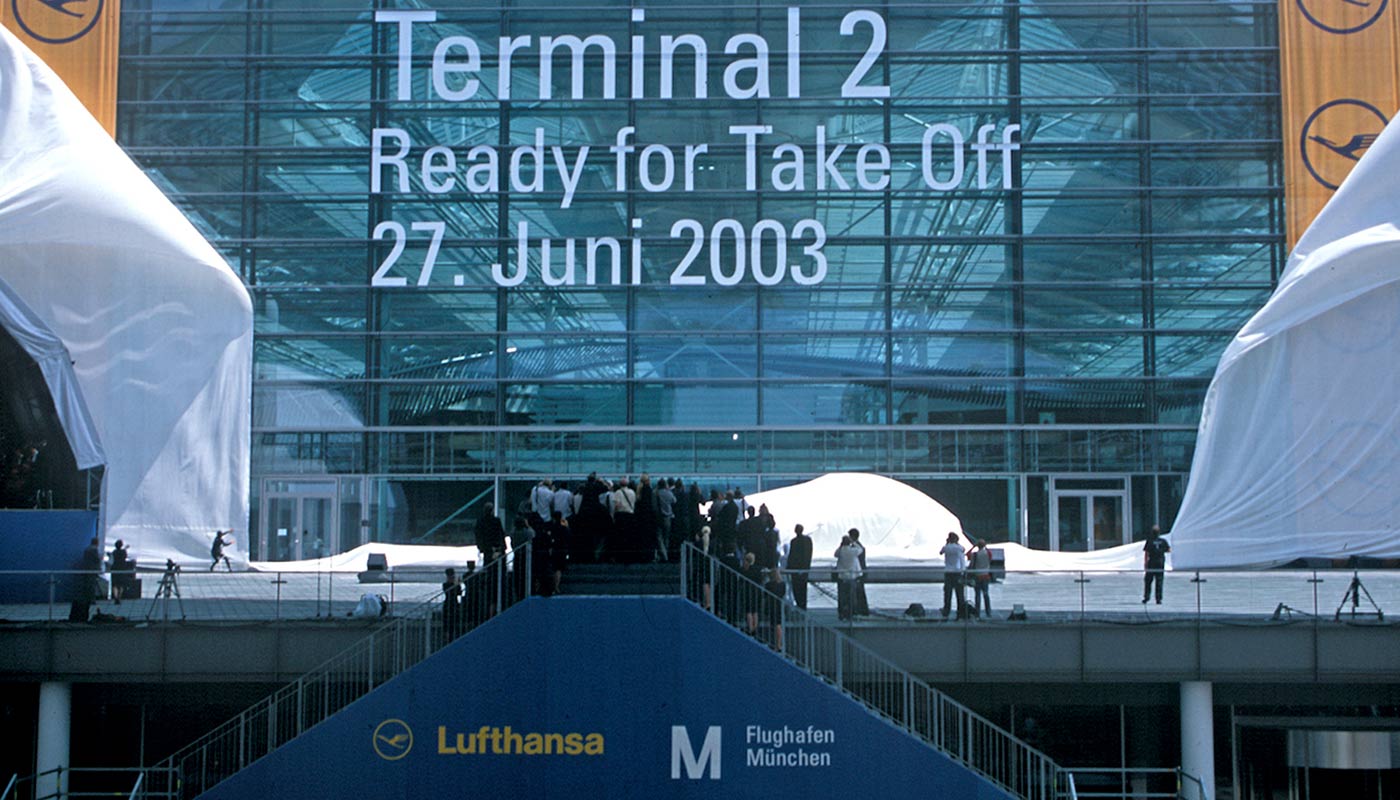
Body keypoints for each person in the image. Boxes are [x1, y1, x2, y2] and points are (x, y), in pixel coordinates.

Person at [68, 537, 102, 622]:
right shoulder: (94, 550)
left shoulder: (87, 549)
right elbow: (97, 559)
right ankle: (92, 599)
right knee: (92, 585)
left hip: (86, 569)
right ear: (97, 543)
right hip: (92, 570)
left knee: (87, 585)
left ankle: (87, 599)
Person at [940, 532, 968, 620]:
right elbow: (963, 551)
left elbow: (941, 552)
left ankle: (946, 611)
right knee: (959, 594)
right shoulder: (958, 548)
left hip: (948, 573)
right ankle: (960, 612)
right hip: (957, 572)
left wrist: (947, 543)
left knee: (947, 593)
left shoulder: (946, 547)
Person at [1142, 525, 1171, 604]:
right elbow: (1169, 550)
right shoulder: (1163, 541)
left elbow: (1146, 553)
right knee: (1159, 581)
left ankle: (1146, 597)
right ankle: (1158, 599)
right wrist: (1161, 551)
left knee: (1148, 580)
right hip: (1160, 562)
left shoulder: (1149, 541)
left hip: (1151, 562)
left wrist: (1145, 563)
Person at [835, 535, 861, 621]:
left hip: (842, 577)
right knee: (852, 596)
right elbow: (861, 549)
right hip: (852, 576)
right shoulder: (853, 551)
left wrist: (840, 545)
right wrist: (854, 542)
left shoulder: (841, 551)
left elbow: (835, 554)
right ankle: (852, 614)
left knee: (842, 597)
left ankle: (842, 614)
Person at [787, 524, 813, 610]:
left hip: (795, 569)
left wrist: (788, 568)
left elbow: (791, 556)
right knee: (803, 588)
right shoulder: (808, 540)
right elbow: (809, 554)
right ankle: (803, 606)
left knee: (796, 589)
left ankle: (799, 606)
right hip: (805, 569)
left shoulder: (793, 541)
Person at [966, 538, 993, 618]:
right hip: (986, 576)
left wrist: (973, 547)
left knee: (977, 595)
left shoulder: (975, 554)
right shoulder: (988, 553)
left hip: (977, 576)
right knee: (986, 594)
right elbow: (990, 555)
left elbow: (967, 554)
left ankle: (977, 612)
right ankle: (988, 612)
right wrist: (985, 546)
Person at [763, 566, 787, 651]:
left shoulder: (769, 584)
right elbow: (783, 593)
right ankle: (778, 644)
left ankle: (777, 644)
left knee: (775, 625)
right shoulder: (783, 584)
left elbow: (765, 594)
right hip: (779, 605)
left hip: (771, 605)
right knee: (778, 624)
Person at [849, 528, 870, 616]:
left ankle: (860, 610)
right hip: (861, 571)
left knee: (858, 592)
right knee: (860, 592)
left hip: (857, 572)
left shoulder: (855, 547)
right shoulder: (860, 546)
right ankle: (863, 610)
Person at [109, 539, 134, 605]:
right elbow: (124, 556)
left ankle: (115, 597)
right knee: (121, 585)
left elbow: (111, 561)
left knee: (114, 585)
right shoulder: (123, 552)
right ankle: (119, 597)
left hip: (114, 569)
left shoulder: (114, 552)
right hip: (122, 569)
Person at [441, 567, 462, 640]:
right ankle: (448, 637)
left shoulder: (454, 584)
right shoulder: (445, 585)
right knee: (447, 623)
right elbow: (450, 593)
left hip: (454, 604)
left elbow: (459, 593)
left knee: (454, 622)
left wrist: (457, 584)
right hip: (449, 604)